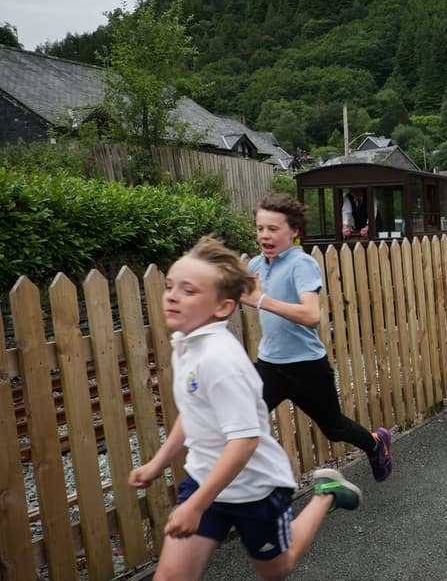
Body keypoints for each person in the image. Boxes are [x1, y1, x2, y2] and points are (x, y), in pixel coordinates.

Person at [130, 236, 362, 581]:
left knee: (276, 569)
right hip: (205, 480)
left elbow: (244, 442)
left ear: (223, 307)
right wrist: (157, 463)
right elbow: (194, 415)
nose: (173, 296)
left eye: (189, 291)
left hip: (256, 489)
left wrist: (194, 506)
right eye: (170, 287)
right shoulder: (185, 346)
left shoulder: (220, 360)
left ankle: (325, 495)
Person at [242, 193, 393, 482]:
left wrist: (261, 300)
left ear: (294, 231)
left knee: (334, 428)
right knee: (242, 421)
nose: (265, 235)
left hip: (306, 367)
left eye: (273, 229)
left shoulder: (301, 264)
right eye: (260, 228)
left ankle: (376, 444)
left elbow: (311, 315)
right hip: (269, 365)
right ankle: (249, 491)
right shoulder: (256, 266)